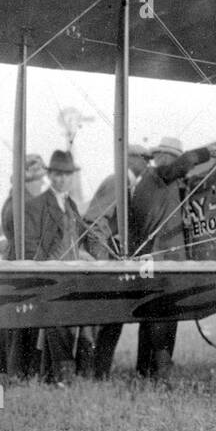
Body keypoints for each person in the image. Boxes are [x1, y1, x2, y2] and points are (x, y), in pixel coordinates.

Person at [130, 136, 216, 380]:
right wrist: (208, 150)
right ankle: (162, 370)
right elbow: (185, 162)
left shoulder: (145, 185)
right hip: (164, 257)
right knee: (166, 312)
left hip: (150, 257)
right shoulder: (160, 176)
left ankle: (145, 369)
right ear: (166, 158)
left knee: (151, 315)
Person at [22, 150, 104, 383]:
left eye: (66, 175)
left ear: (72, 177)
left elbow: (77, 239)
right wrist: (42, 270)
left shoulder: (71, 204)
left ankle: (73, 378)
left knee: (77, 327)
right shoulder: (36, 206)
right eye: (57, 174)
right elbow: (30, 247)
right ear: (50, 175)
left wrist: (87, 256)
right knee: (58, 328)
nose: (61, 179)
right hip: (50, 277)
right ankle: (64, 379)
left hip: (73, 276)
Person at [79, 144, 151, 378]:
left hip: (113, 261)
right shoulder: (116, 182)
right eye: (144, 158)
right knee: (99, 322)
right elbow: (94, 222)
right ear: (130, 160)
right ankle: (91, 374)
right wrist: (102, 263)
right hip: (105, 265)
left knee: (112, 321)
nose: (147, 163)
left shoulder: (127, 185)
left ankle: (99, 373)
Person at [0, 153, 47, 379]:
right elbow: (31, 238)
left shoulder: (12, 199)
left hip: (11, 260)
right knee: (22, 320)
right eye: (39, 180)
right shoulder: (25, 204)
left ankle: (1, 370)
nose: (43, 184)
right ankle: (17, 373)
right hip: (24, 262)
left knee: (7, 323)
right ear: (29, 180)